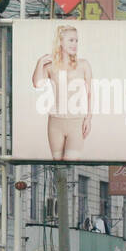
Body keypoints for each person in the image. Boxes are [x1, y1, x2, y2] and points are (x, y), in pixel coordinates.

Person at [32, 25, 93, 160]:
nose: (75, 44)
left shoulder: (83, 64)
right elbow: (37, 84)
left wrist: (89, 118)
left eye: (77, 41)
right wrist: (39, 63)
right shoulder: (50, 66)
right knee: (58, 168)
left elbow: (89, 93)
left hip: (76, 121)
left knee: (70, 163)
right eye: (71, 40)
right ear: (60, 41)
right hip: (55, 122)